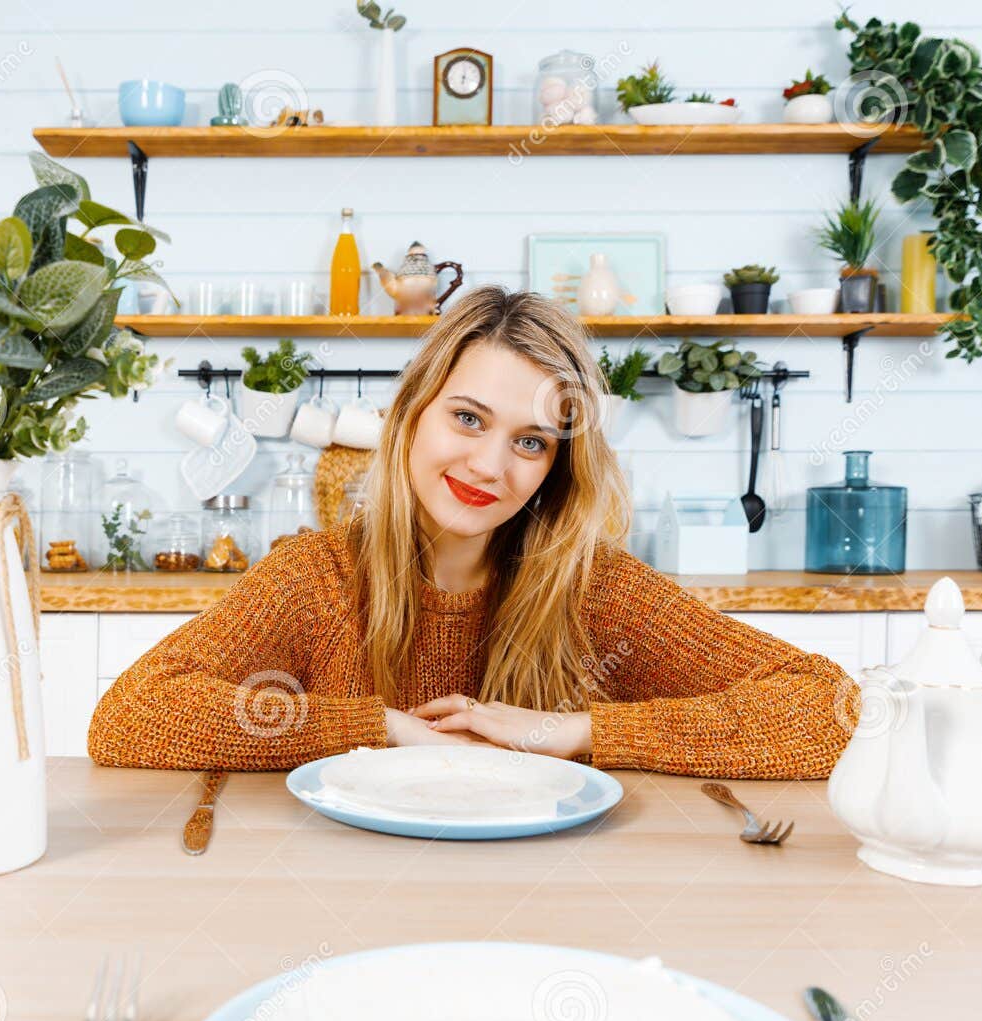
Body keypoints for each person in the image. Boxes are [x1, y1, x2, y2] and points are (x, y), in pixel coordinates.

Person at [88, 287, 857, 778]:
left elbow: (833, 710)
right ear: (411, 413)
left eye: (530, 441)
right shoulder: (315, 578)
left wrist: (577, 731)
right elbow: (131, 714)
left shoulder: (597, 590)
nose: (489, 464)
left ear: (557, 465)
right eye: (468, 418)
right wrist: (381, 729)